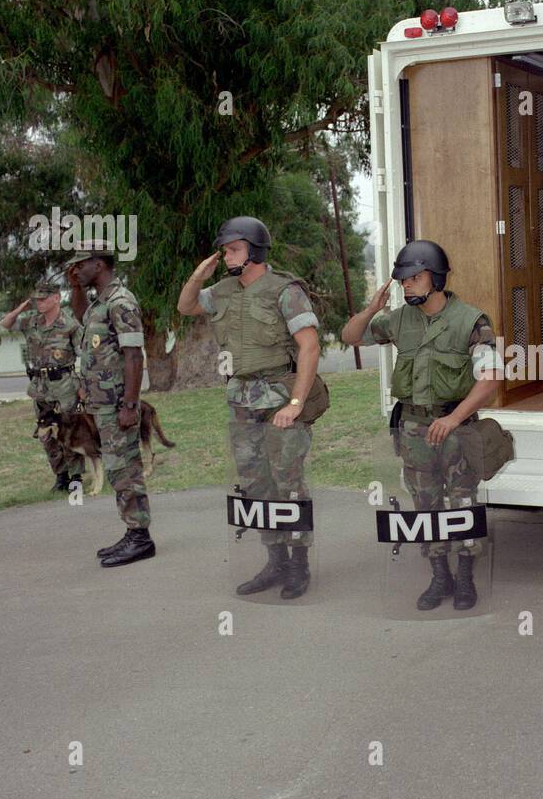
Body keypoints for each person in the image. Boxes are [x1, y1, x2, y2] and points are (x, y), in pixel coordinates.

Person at [341, 240, 501, 611]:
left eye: (415, 277)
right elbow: (351, 337)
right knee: (425, 505)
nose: (407, 285)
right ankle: (439, 576)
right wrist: (371, 309)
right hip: (413, 429)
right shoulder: (399, 320)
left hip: (457, 428)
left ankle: (465, 578)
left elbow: (491, 378)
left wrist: (454, 418)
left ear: (437, 277)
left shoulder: (470, 321)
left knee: (462, 503)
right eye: (403, 280)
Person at [177, 216, 322, 599]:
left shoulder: (284, 291)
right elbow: (186, 306)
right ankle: (275, 560)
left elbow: (309, 347)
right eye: (224, 250)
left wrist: (296, 403)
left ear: (254, 251)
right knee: (256, 483)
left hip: (279, 396)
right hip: (241, 399)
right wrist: (199, 275)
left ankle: (299, 563)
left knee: (287, 481)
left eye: (234, 250)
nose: (226, 256)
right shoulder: (222, 291)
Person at [65, 250, 155, 568]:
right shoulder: (100, 303)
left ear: (99, 264)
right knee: (118, 470)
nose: (76, 270)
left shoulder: (120, 301)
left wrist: (130, 405)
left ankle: (140, 538)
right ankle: (133, 531)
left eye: (81, 265)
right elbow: (81, 317)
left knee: (125, 469)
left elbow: (134, 355)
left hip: (118, 405)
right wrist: (75, 287)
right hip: (103, 406)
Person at [0, 279, 83, 492]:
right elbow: (5, 324)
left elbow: (86, 355)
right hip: (40, 388)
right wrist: (21, 308)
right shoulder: (31, 323)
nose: (39, 303)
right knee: (46, 434)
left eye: (44, 299)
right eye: (37, 299)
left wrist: (85, 385)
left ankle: (76, 477)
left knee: (69, 431)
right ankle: (61, 476)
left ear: (56, 298)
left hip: (64, 386)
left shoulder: (70, 325)